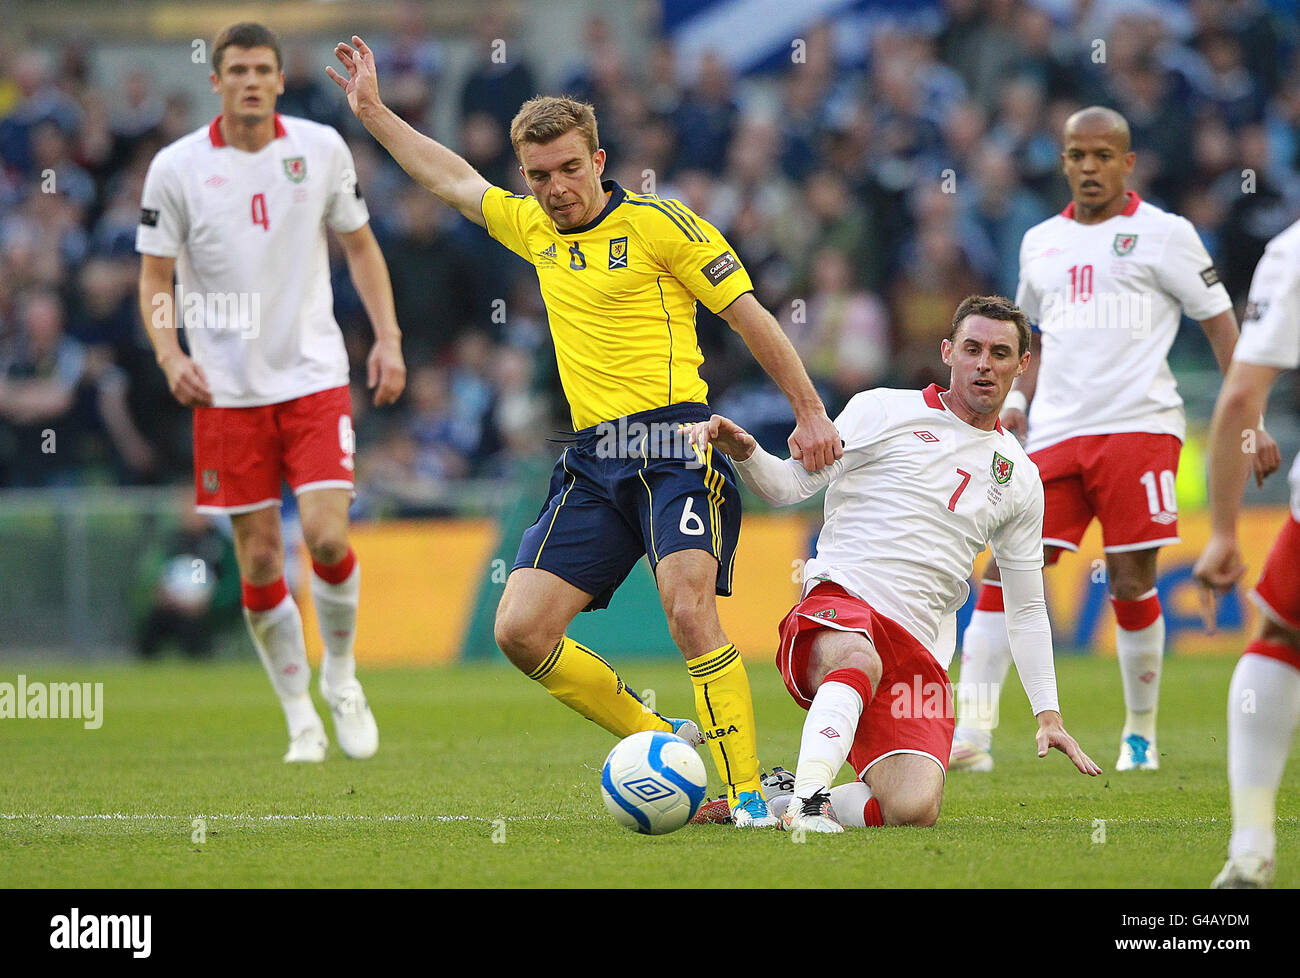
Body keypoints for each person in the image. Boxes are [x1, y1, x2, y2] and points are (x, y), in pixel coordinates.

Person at [327, 36, 840, 826]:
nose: (556, 188)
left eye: (569, 168)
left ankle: (747, 799)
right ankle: (662, 740)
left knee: (686, 604)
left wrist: (809, 411)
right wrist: (375, 112)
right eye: (539, 175)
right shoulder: (532, 226)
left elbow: (749, 315)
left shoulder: (664, 226)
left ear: (599, 159)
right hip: (594, 459)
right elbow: (451, 179)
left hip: (676, 446)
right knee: (521, 630)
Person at [687, 295, 1100, 833]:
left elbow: (1025, 609)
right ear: (948, 352)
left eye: (1000, 353)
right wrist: (744, 451)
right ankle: (809, 804)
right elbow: (790, 486)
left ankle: (777, 798)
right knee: (858, 658)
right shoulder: (881, 409)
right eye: (972, 349)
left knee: (911, 809)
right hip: (842, 607)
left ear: (1021, 366)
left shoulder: (1021, 477)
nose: (984, 364)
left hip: (918, 651)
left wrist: (1049, 714)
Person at [949, 106, 1279, 774]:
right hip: (1055, 434)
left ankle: (1139, 734)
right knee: (1005, 571)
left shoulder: (1168, 235)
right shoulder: (1039, 241)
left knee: (1131, 578)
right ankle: (973, 735)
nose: (1090, 167)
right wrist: (1015, 400)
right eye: (1078, 155)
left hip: (1139, 428)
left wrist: (1256, 419)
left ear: (1128, 163)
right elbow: (1026, 337)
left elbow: (1220, 327)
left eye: (1104, 155)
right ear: (1063, 160)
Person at [137, 23, 406, 762]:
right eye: (238, 69)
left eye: (263, 69)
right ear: (216, 80)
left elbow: (359, 244)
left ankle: (343, 678)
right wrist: (169, 353)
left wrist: (387, 338)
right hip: (224, 394)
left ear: (281, 80)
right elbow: (154, 277)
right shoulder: (176, 168)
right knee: (257, 562)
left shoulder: (319, 149)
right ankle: (299, 715)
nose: (251, 80)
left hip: (314, 377)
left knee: (324, 536)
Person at [1194, 216, 1300, 888]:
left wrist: (1227, 532)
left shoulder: (1292, 250)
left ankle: (1254, 845)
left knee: (1280, 635)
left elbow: (1239, 397)